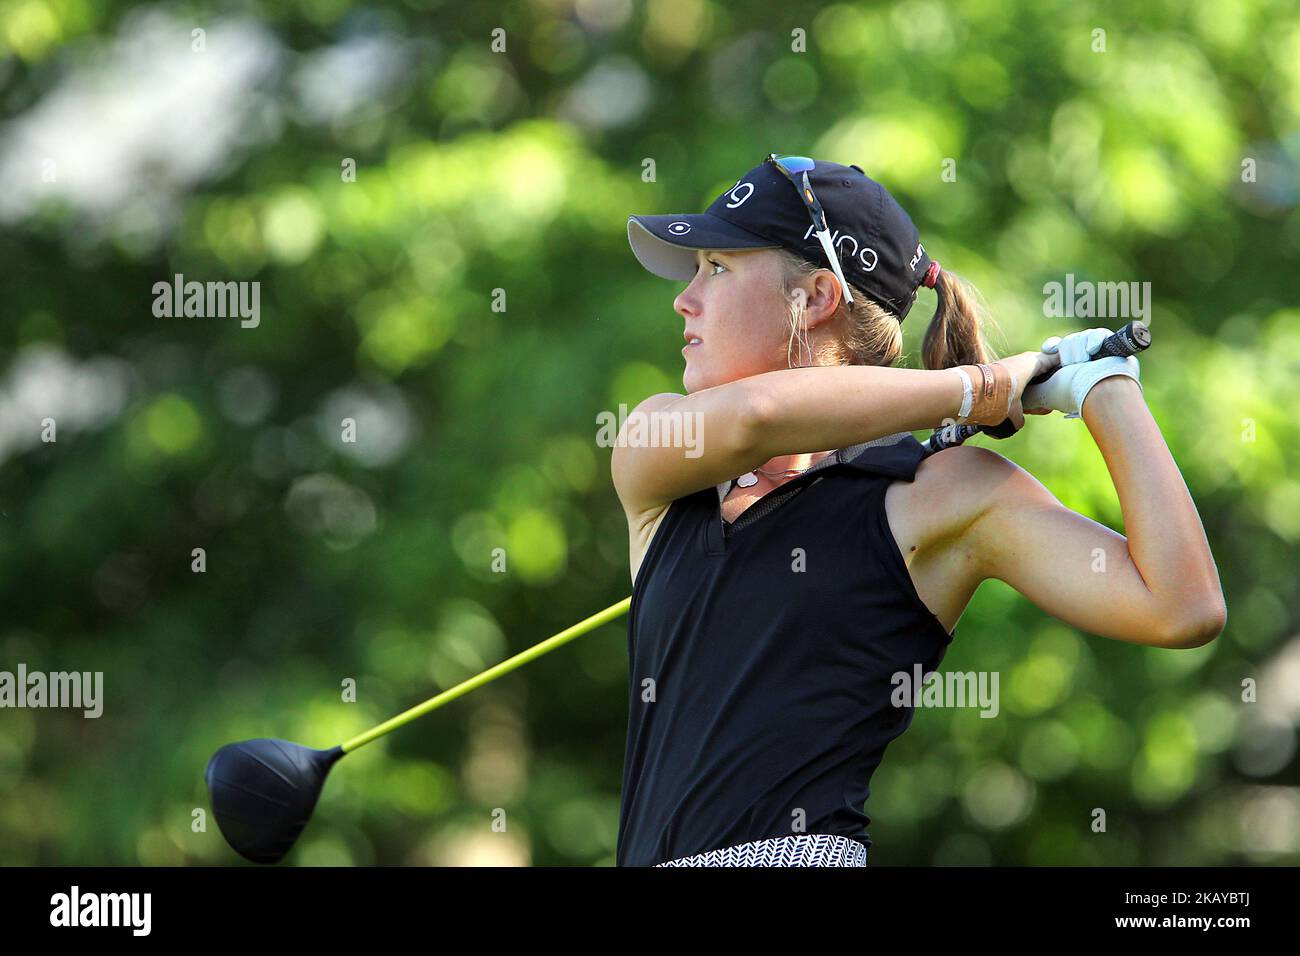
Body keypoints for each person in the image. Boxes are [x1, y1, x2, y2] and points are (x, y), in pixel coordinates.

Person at [610, 155, 1226, 867]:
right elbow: (755, 416)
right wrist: (983, 387)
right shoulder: (661, 447)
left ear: (813, 298)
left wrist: (1107, 391)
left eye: (717, 267)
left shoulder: (939, 494)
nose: (685, 300)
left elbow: (1183, 608)